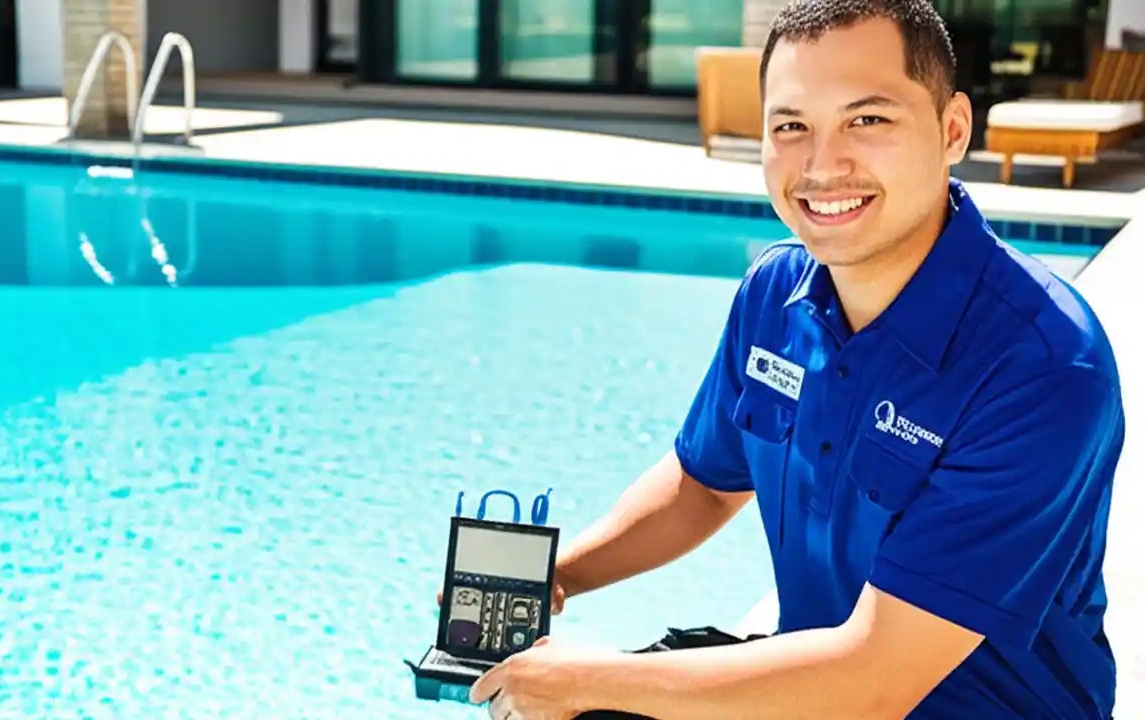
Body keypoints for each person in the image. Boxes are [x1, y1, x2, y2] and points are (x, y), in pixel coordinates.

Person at [465, 0, 1125, 718]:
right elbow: (704, 486)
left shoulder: (1044, 366)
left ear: (952, 129)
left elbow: (875, 679)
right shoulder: (775, 293)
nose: (823, 164)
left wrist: (588, 679)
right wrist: (556, 576)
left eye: (867, 120)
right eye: (791, 127)